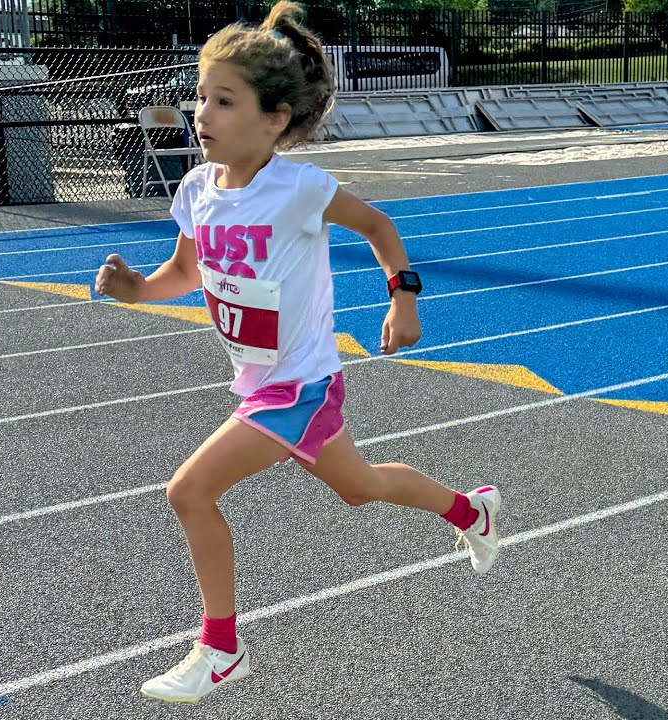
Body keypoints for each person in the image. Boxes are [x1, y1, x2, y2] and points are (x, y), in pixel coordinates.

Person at [93, 1, 502, 705]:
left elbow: (377, 223)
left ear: (274, 118)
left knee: (189, 491)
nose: (201, 113)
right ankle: (471, 511)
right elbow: (184, 275)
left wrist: (403, 298)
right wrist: (135, 289)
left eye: (223, 100)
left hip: (301, 386)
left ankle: (221, 648)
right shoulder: (196, 191)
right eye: (199, 96)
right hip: (259, 385)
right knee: (361, 486)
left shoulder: (300, 188)